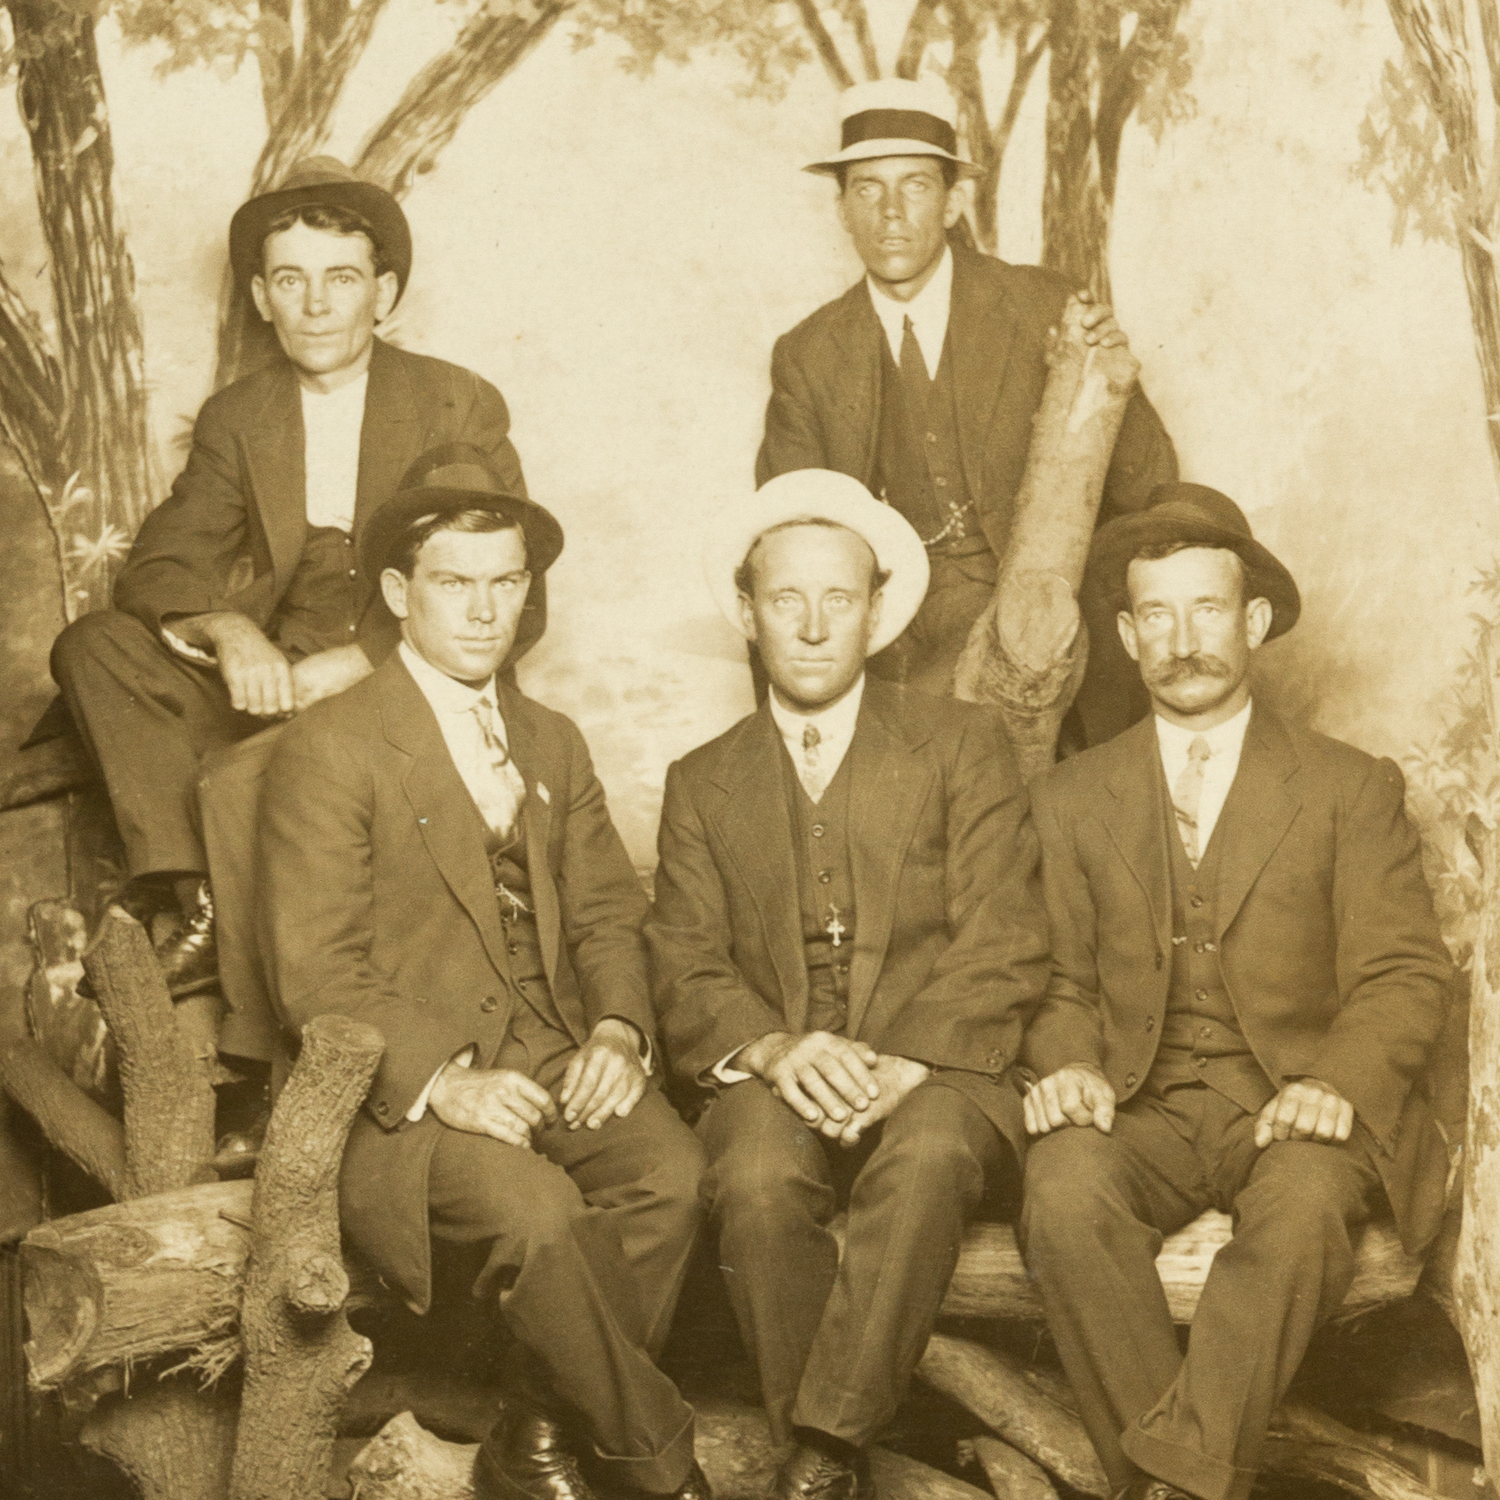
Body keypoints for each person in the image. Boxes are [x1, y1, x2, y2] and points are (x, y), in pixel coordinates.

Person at [258, 448, 708, 1500]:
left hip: (554, 1053)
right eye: (455, 584)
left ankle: (535, 1420)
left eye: (506, 583)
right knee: (540, 1216)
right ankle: (661, 1470)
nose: (484, 611)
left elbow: (606, 914)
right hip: (404, 1106)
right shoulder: (332, 747)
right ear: (398, 594)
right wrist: (445, 1081)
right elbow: (314, 970)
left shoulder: (551, 740)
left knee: (674, 1180)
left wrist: (616, 1032)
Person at [1017, 483, 1453, 1500]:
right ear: (1126, 635)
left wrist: (1337, 1081)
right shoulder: (1070, 796)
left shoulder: (1349, 785)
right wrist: (1071, 1066)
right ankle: (1194, 1481)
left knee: (1304, 1206)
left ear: (1253, 621)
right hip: (1143, 1105)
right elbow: (1055, 979)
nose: (1184, 640)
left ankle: (1164, 1486)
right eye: (1156, 615)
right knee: (1062, 1185)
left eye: (1206, 610)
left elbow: (1402, 971)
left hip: (1289, 1101)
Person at [48, 156, 529, 1059]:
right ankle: (195, 897)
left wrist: (360, 664)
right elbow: (157, 568)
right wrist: (231, 633)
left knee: (246, 783)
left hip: (397, 680)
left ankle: (248, 1043)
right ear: (262, 298)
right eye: (290, 281)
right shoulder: (240, 415)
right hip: (277, 672)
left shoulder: (452, 401)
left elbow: (512, 593)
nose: (315, 305)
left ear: (382, 293)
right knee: (93, 647)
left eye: (340, 280)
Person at [647, 469, 1050, 1500]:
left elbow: (1005, 932)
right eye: (788, 600)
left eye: (840, 599)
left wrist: (911, 1058)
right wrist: (779, 1050)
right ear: (748, 612)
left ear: (877, 612)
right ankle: (836, 1454)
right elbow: (685, 956)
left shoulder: (962, 744)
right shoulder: (703, 777)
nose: (815, 626)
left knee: (919, 1164)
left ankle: (822, 1453)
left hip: (942, 1073)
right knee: (748, 1178)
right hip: (782, 1072)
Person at [756, 76, 1177, 741]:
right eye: (867, 187)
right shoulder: (809, 356)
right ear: (841, 208)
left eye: (916, 185)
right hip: (899, 657)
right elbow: (783, 548)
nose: (890, 211)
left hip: (1053, 636)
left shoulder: (1041, 305)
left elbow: (1150, 491)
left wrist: (1107, 383)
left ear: (953, 202)